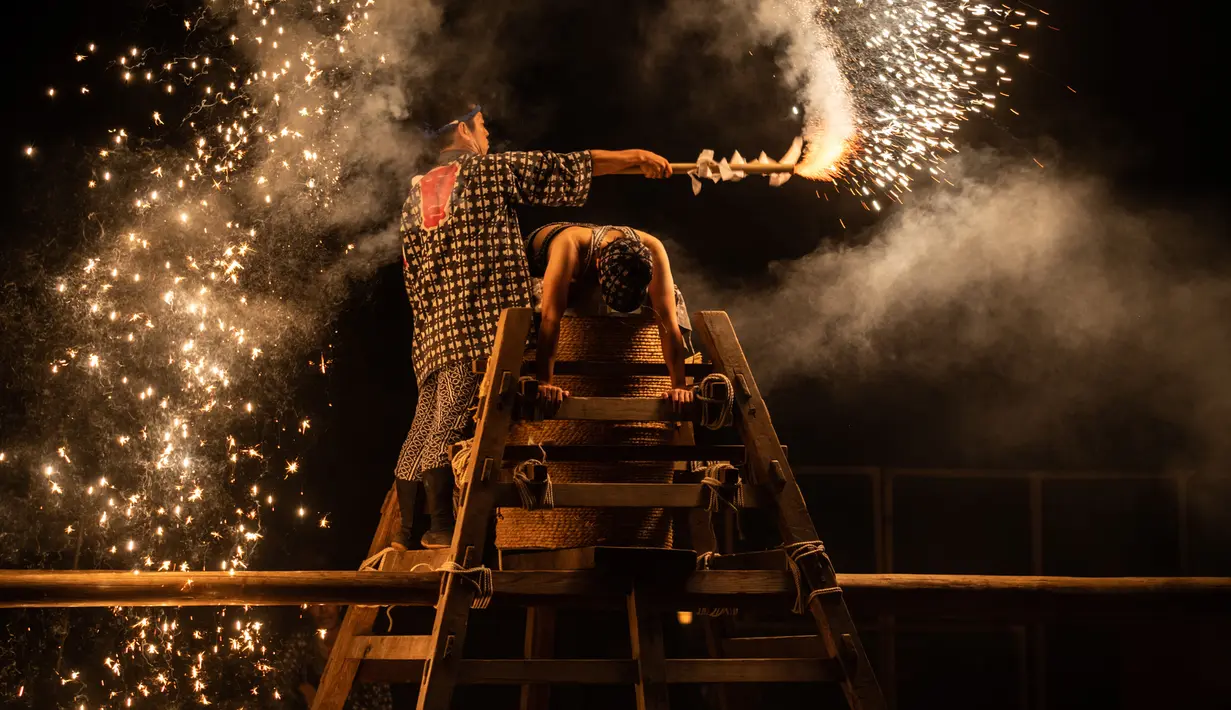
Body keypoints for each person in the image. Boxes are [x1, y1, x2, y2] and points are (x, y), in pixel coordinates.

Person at [393, 102, 672, 550]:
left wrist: (428, 328)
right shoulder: (485, 172)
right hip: (478, 329)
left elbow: (412, 273)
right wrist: (634, 158)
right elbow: (562, 168)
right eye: (481, 126)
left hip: (431, 333)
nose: (486, 134)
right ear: (463, 131)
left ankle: (405, 533)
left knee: (424, 422)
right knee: (447, 425)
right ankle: (440, 527)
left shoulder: (415, 196)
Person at [527, 223, 695, 413]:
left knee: (668, 297)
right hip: (542, 247)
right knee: (562, 295)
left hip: (603, 244)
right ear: (598, 266)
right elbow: (550, 319)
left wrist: (680, 386)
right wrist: (544, 382)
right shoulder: (569, 246)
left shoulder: (654, 249)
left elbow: (668, 323)